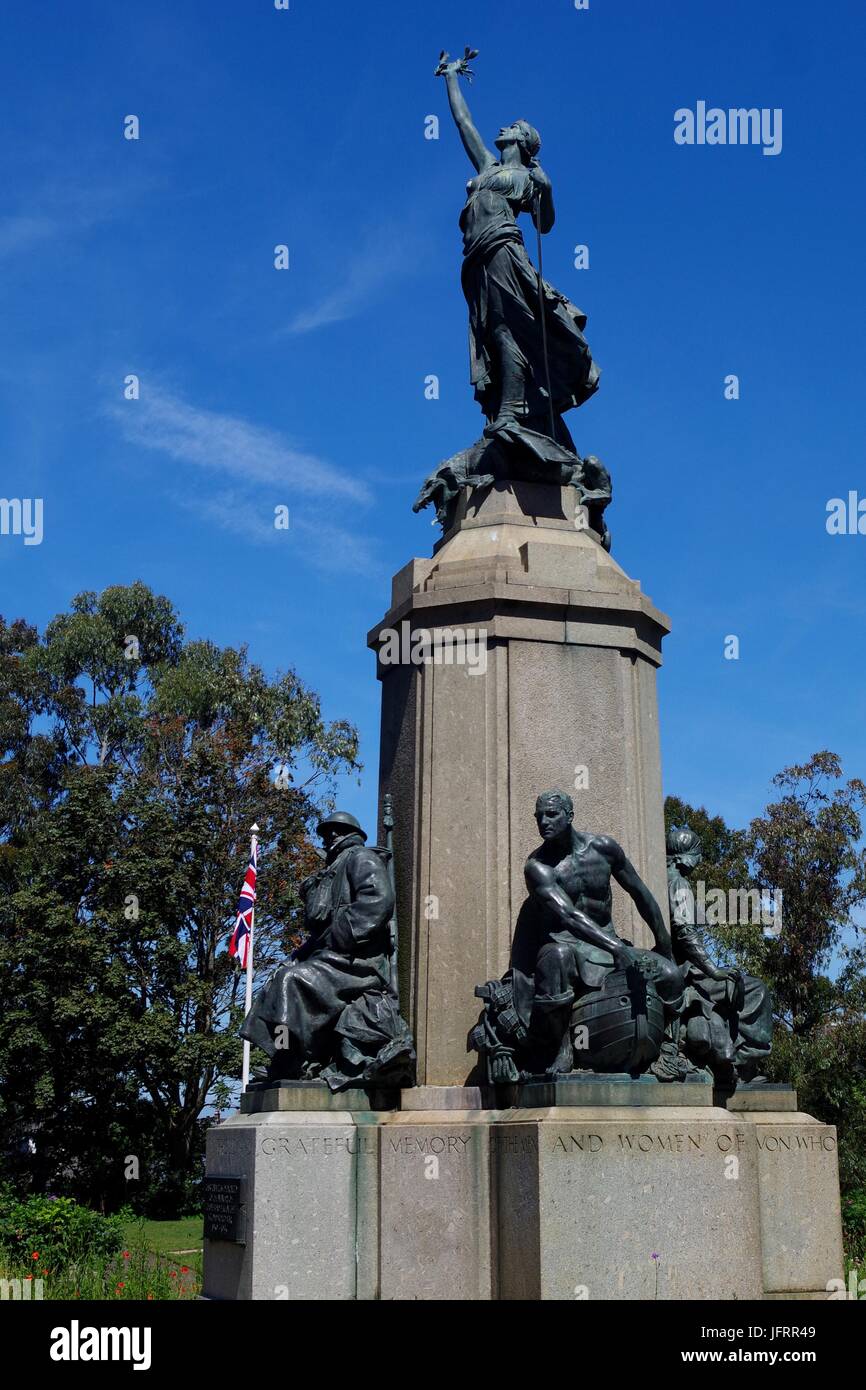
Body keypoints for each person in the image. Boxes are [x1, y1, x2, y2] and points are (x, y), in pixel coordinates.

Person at [436, 51, 599, 442]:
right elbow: (464, 122)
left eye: (514, 126)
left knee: (507, 326)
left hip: (502, 250)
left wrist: (547, 189)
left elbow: (545, 224)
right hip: (476, 259)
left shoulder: (525, 177)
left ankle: (512, 411)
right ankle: (510, 409)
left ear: (523, 141)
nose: (505, 127)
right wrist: (451, 77)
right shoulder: (488, 167)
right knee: (493, 331)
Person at [471, 790, 683, 1082]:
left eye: (551, 814)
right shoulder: (538, 867)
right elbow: (568, 916)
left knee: (671, 975)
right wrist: (617, 949)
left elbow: (641, 894)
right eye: (539, 816)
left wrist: (664, 945)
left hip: (608, 945)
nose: (543, 821)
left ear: (570, 816)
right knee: (554, 957)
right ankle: (562, 1048)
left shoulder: (604, 849)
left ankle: (670, 1050)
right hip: (566, 945)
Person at [241, 811, 415, 1092]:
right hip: (332, 958)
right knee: (280, 976)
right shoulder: (332, 869)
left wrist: (339, 938)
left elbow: (378, 901)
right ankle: (286, 1052)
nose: (330, 835)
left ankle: (288, 1057)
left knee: (291, 981)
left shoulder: (360, 857)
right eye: (326, 831)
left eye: (337, 829)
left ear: (351, 831)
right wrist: (302, 951)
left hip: (358, 962)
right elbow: (321, 932)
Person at [666, 825, 773, 1085]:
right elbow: (685, 932)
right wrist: (715, 970)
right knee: (755, 990)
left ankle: (730, 1060)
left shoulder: (664, 879)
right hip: (689, 974)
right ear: (688, 857)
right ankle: (741, 1065)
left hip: (683, 970)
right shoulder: (678, 883)